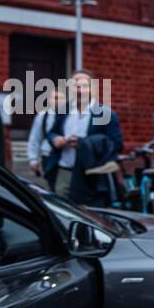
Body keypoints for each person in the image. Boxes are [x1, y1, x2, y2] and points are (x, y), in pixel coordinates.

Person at [44, 69, 124, 207]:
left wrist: (84, 144)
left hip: (91, 176)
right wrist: (55, 139)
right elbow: (51, 132)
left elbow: (116, 144)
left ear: (93, 88)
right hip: (64, 173)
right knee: (62, 214)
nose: (80, 90)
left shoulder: (105, 114)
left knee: (89, 217)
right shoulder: (64, 110)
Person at [26, 87, 66, 178]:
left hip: (64, 156)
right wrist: (33, 159)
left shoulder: (70, 116)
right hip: (48, 156)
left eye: (61, 98)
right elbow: (35, 138)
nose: (58, 101)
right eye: (55, 98)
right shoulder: (43, 116)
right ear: (49, 100)